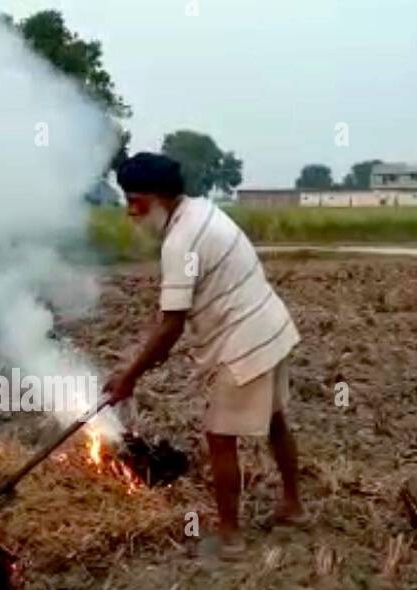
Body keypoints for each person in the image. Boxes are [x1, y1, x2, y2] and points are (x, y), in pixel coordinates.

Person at [104, 152, 305, 558]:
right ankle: (293, 506)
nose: (131, 213)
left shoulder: (181, 242)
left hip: (245, 342)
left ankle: (229, 536)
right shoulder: (201, 211)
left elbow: (171, 325)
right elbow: (172, 320)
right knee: (274, 421)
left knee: (219, 436)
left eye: (135, 202)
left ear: (158, 198)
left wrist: (129, 377)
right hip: (272, 327)